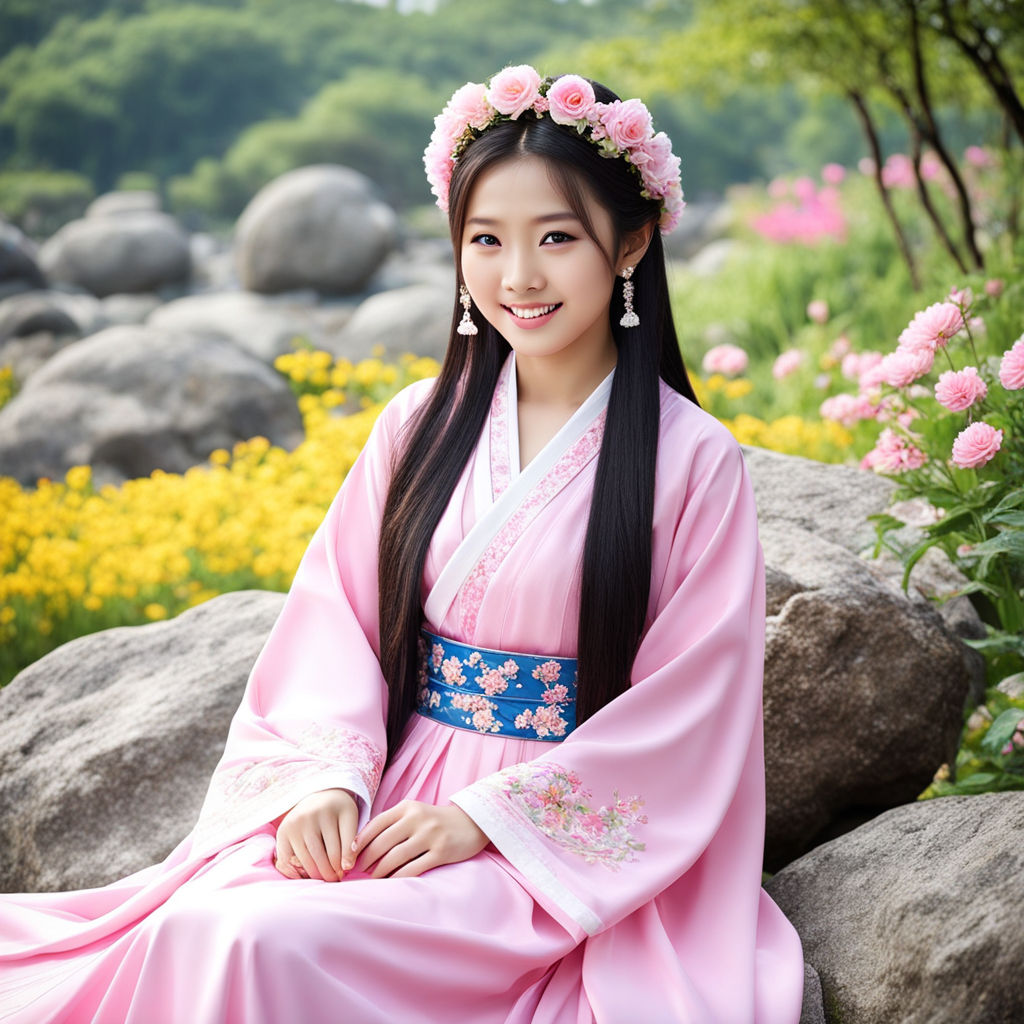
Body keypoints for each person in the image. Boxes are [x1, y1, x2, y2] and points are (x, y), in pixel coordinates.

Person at [0, 66, 805, 1023]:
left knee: (259, 940)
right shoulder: (419, 423)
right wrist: (321, 782)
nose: (519, 277)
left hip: (538, 850)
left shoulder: (691, 458)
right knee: (198, 927)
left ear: (630, 242)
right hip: (386, 794)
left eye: (556, 238)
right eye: (486, 240)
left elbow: (694, 703)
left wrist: (487, 820)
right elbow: (335, 619)